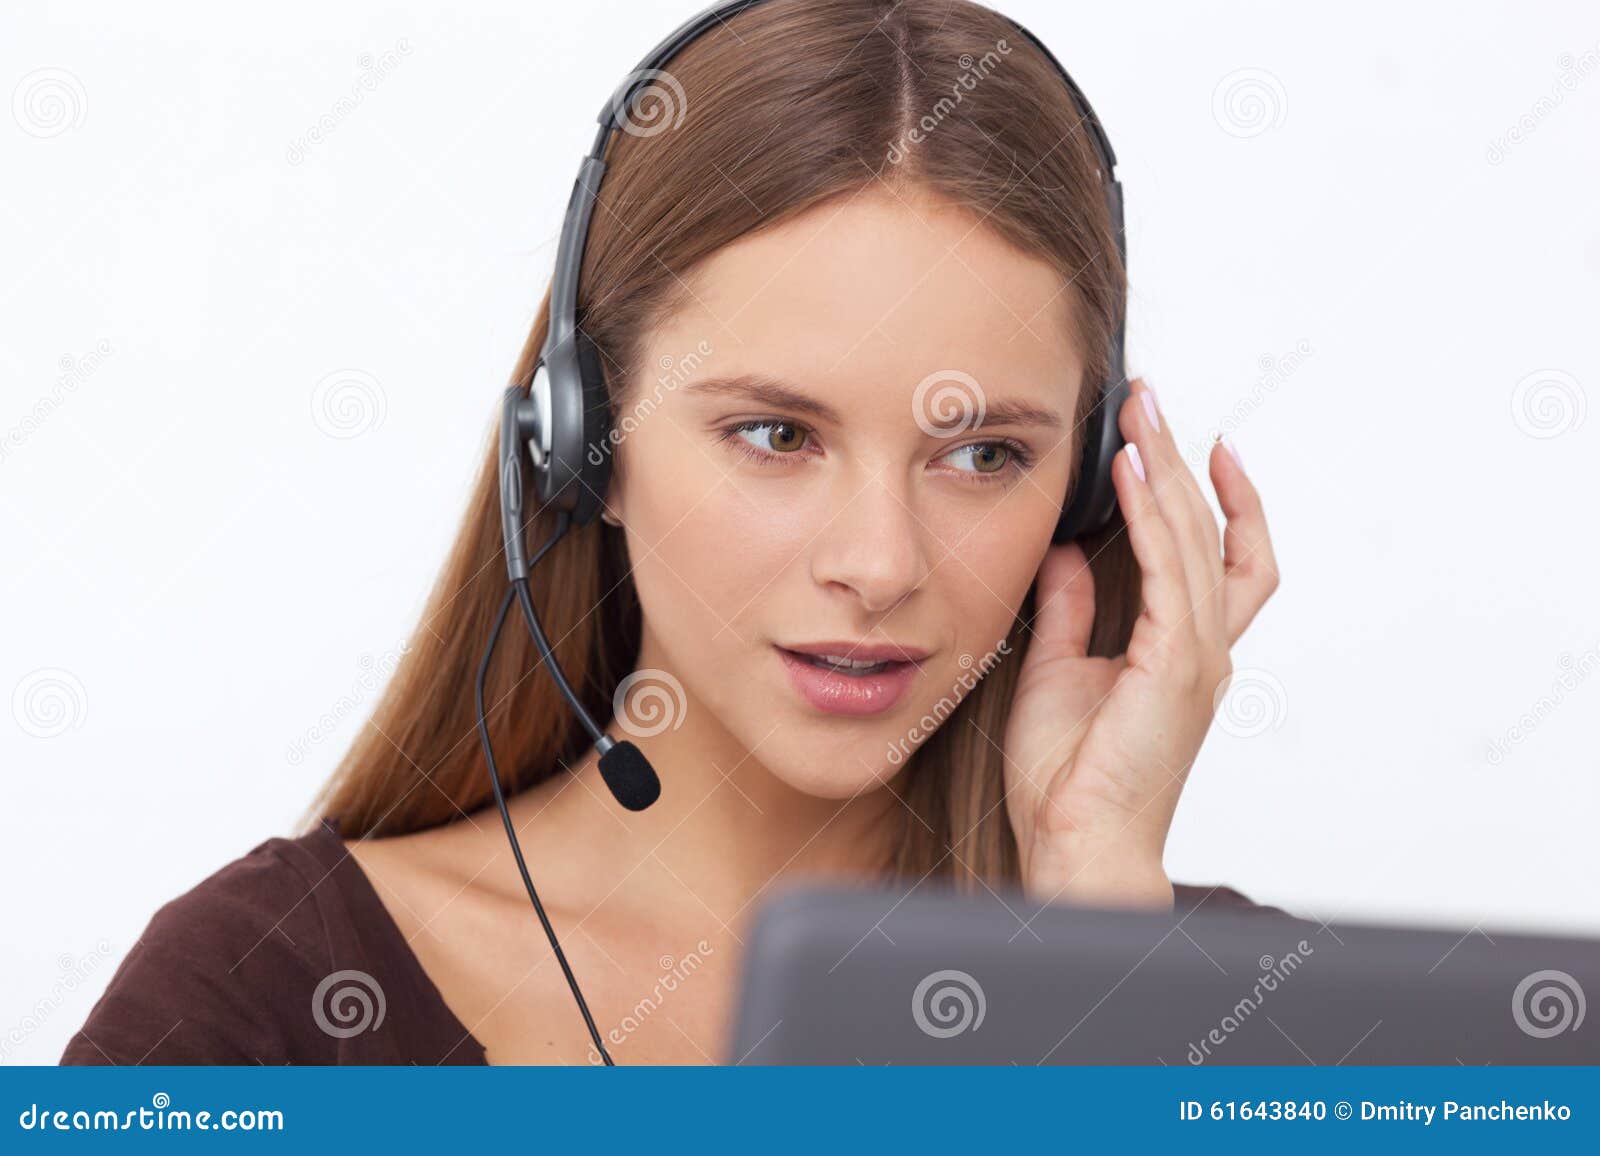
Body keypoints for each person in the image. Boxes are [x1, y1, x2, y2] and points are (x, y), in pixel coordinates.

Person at [62, 0, 1278, 1067]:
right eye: (776, 434)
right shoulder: (263, 1004)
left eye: (980, 455)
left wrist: (1100, 959)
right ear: (586, 441)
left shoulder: (1233, 1013)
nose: (878, 564)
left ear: (1086, 484)